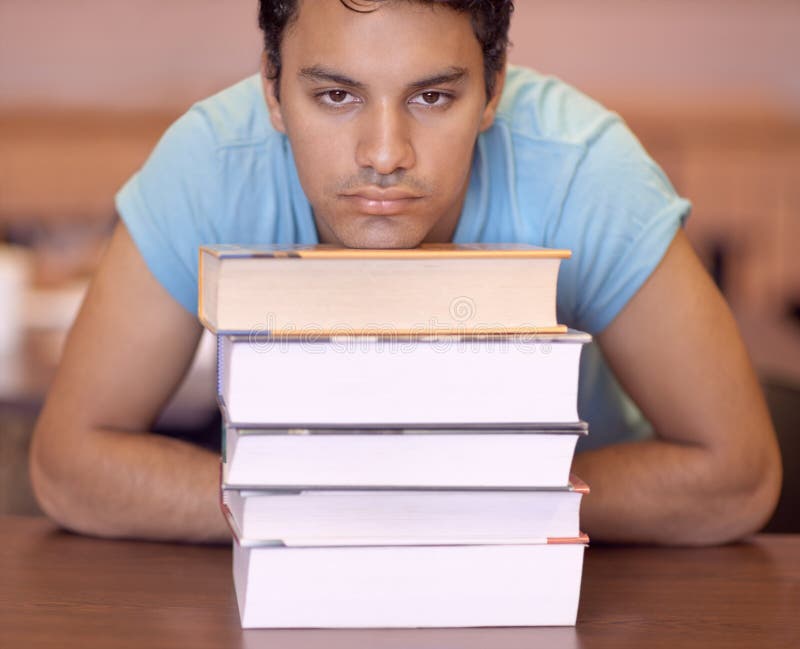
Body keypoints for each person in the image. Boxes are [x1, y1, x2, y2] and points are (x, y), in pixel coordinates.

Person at [30, 0, 781, 545]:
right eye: (334, 95)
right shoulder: (209, 161)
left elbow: (737, 476)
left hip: (568, 575)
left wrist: (455, 507)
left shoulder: (584, 166)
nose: (384, 153)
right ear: (271, 88)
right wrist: (326, 507)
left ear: (492, 90)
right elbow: (69, 463)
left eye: (432, 96)